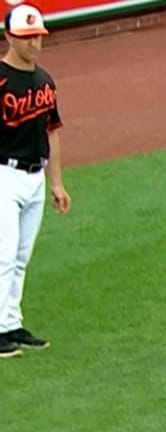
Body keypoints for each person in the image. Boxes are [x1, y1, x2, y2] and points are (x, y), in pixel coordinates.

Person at [0, 2, 68, 358]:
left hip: (35, 177)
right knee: (4, 256)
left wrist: (56, 183)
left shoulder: (44, 80)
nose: (34, 44)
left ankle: (11, 323)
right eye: (27, 38)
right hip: (3, 176)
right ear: (9, 36)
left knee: (21, 256)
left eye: (37, 37)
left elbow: (52, 132)